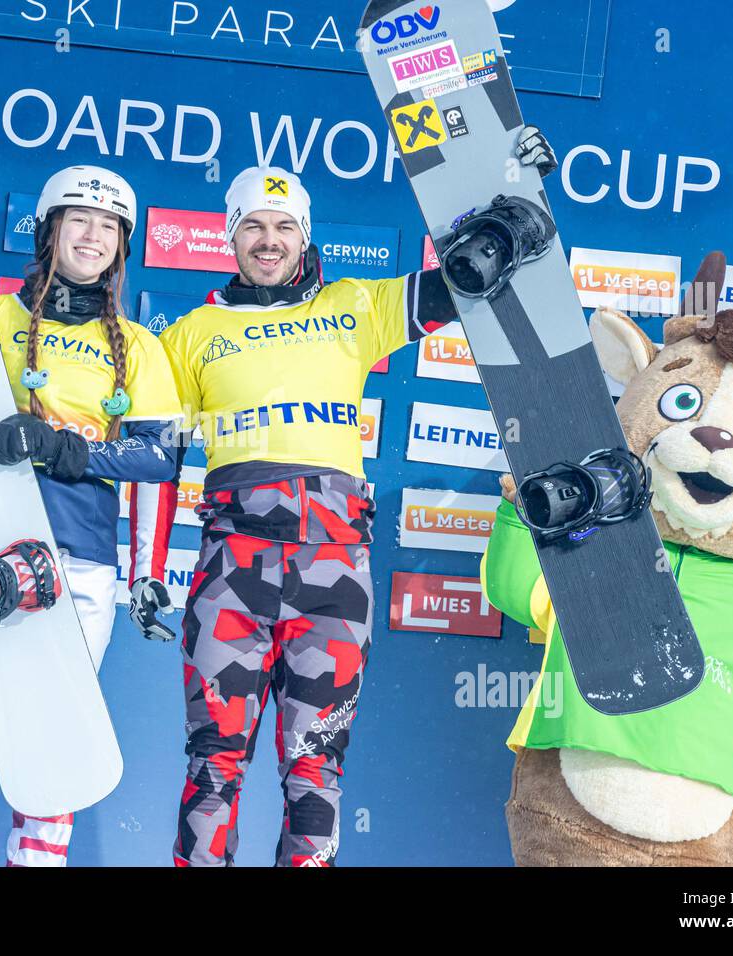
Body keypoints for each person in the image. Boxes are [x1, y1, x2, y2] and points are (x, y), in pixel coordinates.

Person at [154, 128, 557, 866]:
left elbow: (469, 275)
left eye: (283, 227)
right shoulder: (190, 333)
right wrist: (144, 570)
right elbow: (155, 456)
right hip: (231, 573)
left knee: (317, 773)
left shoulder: (353, 307)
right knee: (213, 767)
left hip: (333, 575)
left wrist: (518, 189)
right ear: (229, 236)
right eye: (252, 226)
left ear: (304, 236)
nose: (268, 240)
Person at [0, 165, 183, 867]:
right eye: (78, 219)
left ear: (123, 245)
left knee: (52, 749)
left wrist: (61, 447)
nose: (93, 235)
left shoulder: (139, 346)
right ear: (48, 231)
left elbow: (160, 459)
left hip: (78, 569)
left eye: (109, 226)